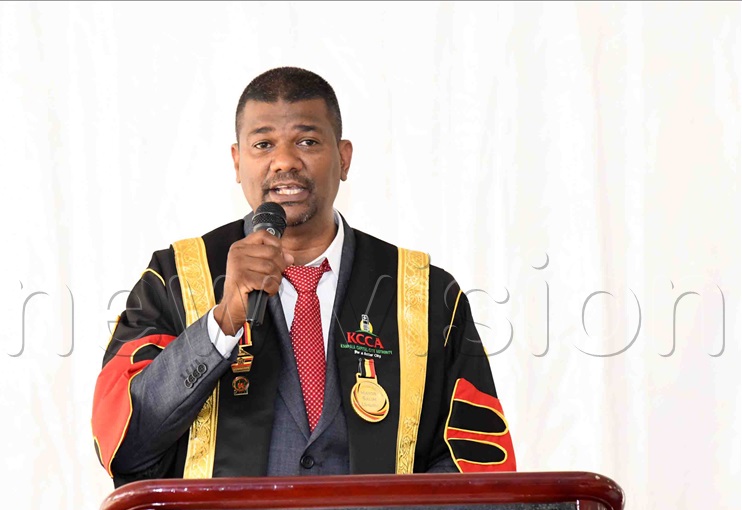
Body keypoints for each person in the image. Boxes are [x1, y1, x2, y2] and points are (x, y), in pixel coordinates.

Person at [92, 67, 516, 487]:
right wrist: (221, 325)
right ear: (238, 161)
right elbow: (125, 445)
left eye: (307, 141)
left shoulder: (425, 293)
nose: (285, 162)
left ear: (344, 158)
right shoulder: (175, 279)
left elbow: (476, 463)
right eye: (263, 144)